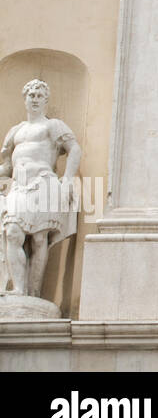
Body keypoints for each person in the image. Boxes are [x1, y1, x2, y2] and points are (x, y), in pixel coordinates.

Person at [0, 79, 81, 298]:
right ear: (24, 99)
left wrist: (67, 179)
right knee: (13, 232)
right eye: (31, 95)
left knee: (38, 238)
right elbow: (7, 165)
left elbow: (74, 149)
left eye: (39, 95)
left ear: (46, 100)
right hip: (19, 185)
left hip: (43, 182)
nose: (35, 99)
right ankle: (18, 288)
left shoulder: (52, 125)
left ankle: (34, 293)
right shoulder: (15, 131)